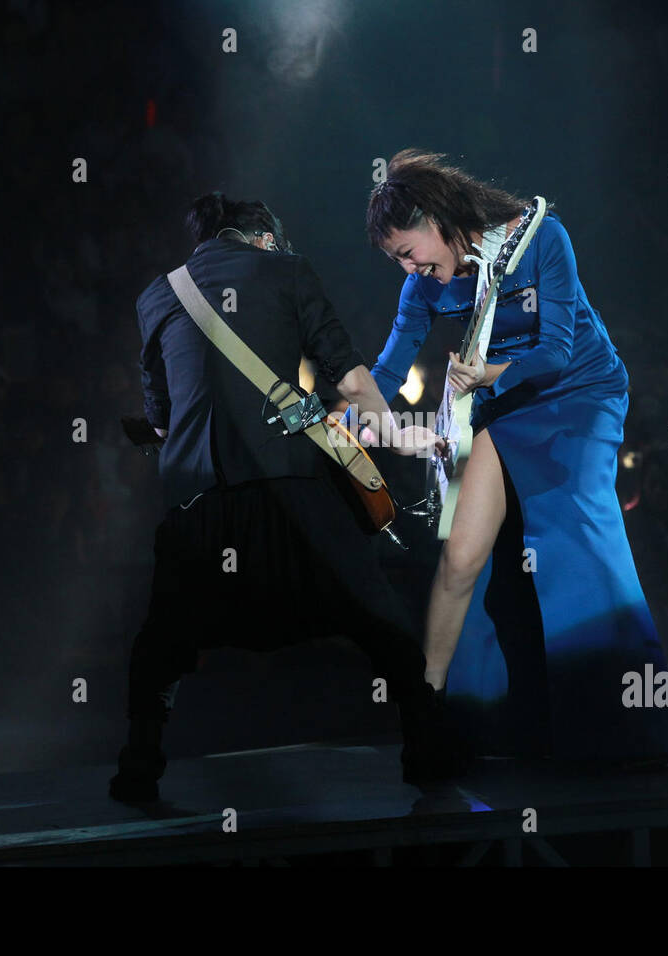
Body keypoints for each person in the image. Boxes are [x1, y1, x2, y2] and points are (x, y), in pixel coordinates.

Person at [110, 192, 466, 803]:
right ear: (264, 237)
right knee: (376, 614)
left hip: (202, 501)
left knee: (163, 639)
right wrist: (398, 437)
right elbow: (353, 383)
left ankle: (139, 764)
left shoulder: (155, 296)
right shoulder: (286, 270)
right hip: (291, 495)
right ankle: (426, 748)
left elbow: (162, 418)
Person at [362, 150, 668, 766]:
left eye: (408, 251)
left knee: (576, 537)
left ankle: (622, 728)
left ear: (437, 217)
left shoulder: (540, 236)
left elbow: (558, 352)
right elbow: (388, 368)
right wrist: (347, 416)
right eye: (397, 261)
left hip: (580, 394)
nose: (408, 267)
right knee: (462, 556)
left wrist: (487, 371)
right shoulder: (422, 287)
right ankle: (438, 716)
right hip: (502, 402)